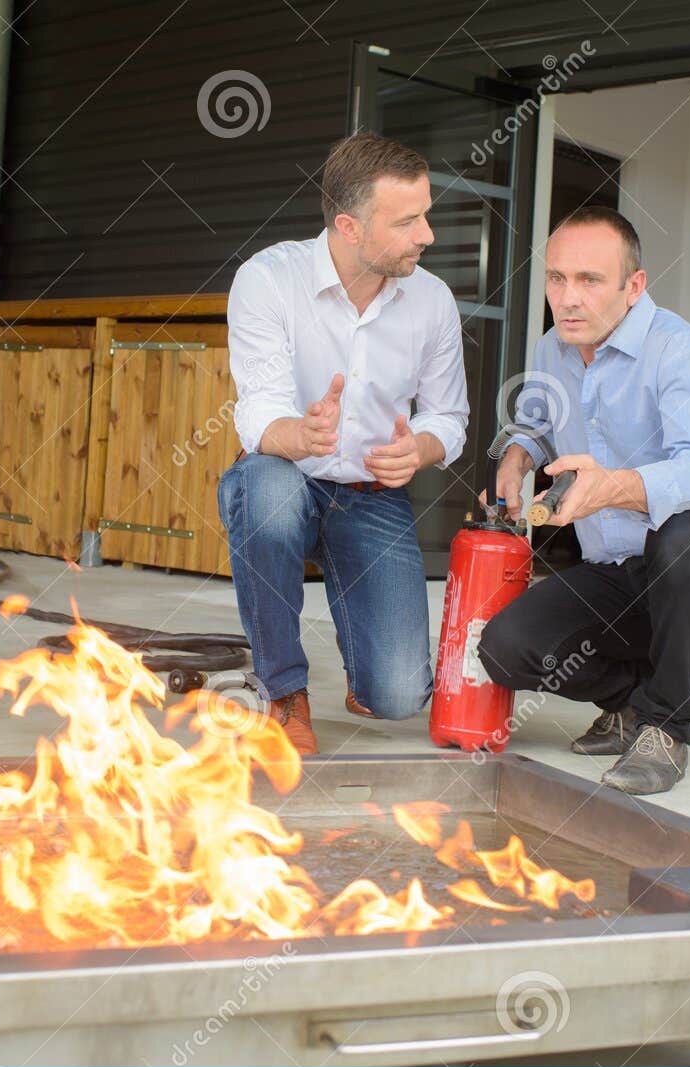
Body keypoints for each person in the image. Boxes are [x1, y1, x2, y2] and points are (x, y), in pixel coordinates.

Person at [478, 205, 690, 795]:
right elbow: (535, 422)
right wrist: (516, 455)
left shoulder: (677, 352)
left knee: (680, 534)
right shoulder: (552, 349)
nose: (568, 298)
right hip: (618, 572)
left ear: (634, 287)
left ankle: (667, 728)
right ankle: (631, 705)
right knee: (507, 648)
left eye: (590, 280)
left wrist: (617, 486)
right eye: (557, 278)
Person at [217, 132, 470, 755]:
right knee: (268, 490)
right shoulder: (268, 279)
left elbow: (450, 416)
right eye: (408, 221)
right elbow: (258, 414)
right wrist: (300, 435)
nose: (427, 235)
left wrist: (423, 450)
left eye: (426, 215)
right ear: (349, 226)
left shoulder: (432, 301)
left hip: (370, 495)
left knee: (399, 698)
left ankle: (369, 661)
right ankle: (283, 692)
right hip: (285, 476)